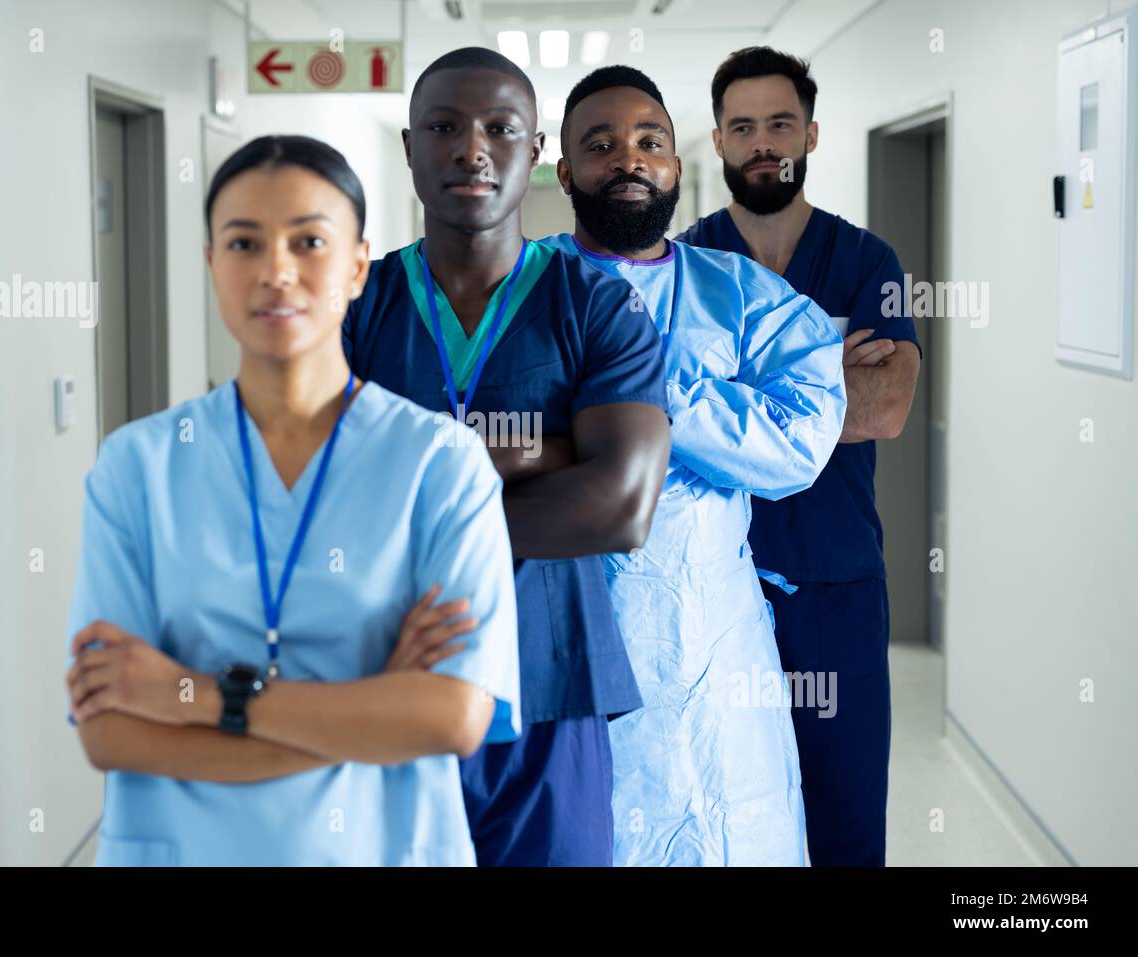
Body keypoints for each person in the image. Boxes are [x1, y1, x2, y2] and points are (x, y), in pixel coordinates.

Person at [64, 134, 520, 866]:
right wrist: (375, 705)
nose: (276, 271)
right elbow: (110, 730)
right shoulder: (137, 466)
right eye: (244, 244)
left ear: (358, 267)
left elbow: (453, 717)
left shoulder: (440, 464)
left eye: (309, 241)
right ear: (212, 266)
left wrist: (196, 694)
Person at [344, 47, 671, 866]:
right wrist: (546, 451)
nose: (472, 148)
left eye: (501, 127)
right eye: (444, 127)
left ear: (538, 155)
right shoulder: (356, 306)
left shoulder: (595, 306)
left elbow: (623, 507)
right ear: (411, 148)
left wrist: (421, 492)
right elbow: (316, 484)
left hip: (550, 683)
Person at [541, 66, 845, 866]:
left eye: (651, 142)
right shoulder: (523, 285)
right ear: (564, 169)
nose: (629, 160)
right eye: (600, 145)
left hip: (707, 643)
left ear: (678, 165)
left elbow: (799, 443)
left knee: (722, 832)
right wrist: (717, 403)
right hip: (557, 625)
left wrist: (646, 383)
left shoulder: (744, 295)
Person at [676, 46, 923, 866]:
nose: (762, 142)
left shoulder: (869, 262)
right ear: (717, 141)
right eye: (742, 126)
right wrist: (821, 383)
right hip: (711, 586)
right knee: (723, 820)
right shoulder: (684, 265)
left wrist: (729, 394)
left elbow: (887, 407)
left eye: (780, 122)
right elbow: (654, 411)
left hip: (835, 586)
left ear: (811, 132)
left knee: (845, 820)